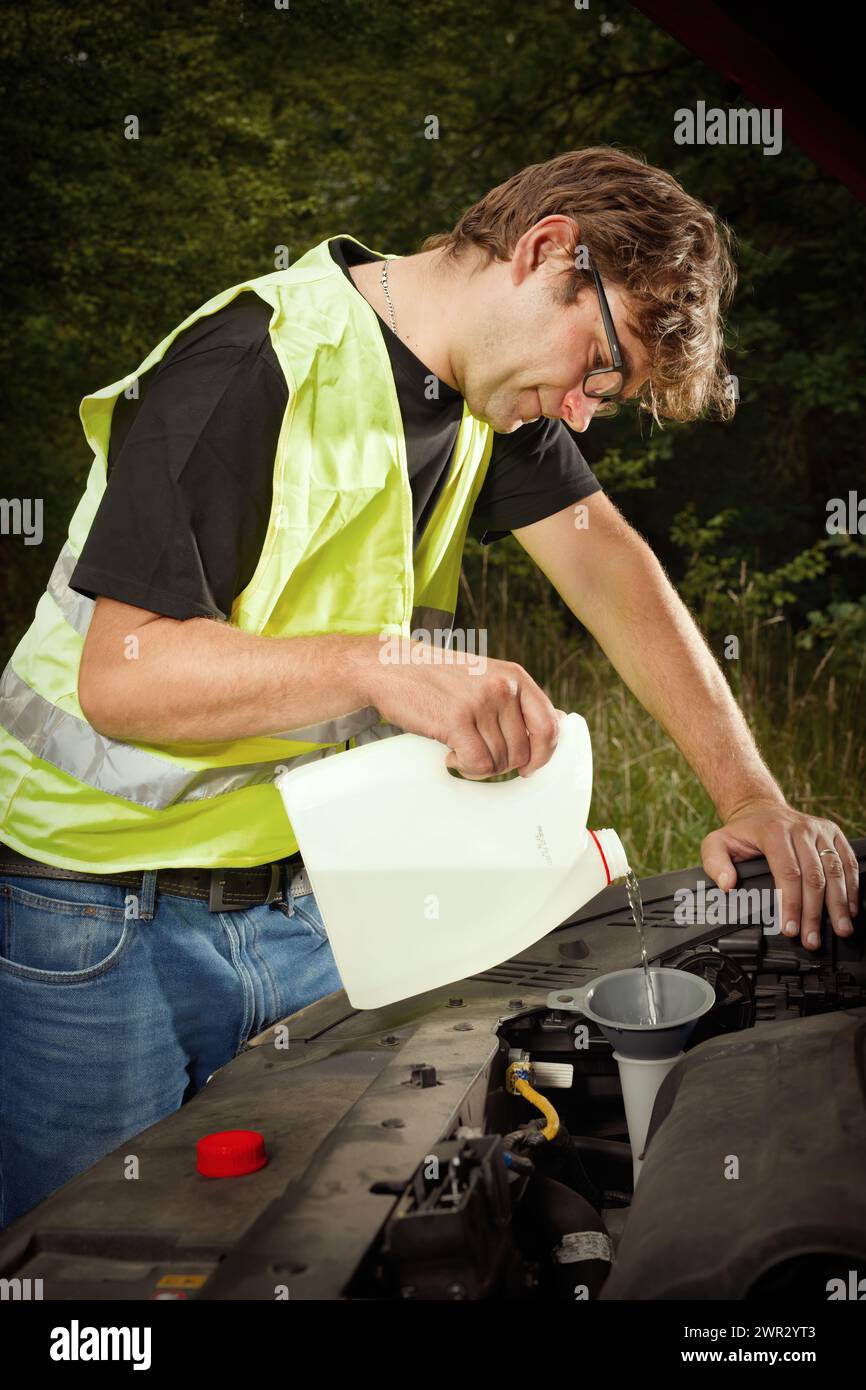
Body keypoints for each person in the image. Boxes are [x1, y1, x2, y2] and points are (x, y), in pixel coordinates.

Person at [0, 147, 857, 1229]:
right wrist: (381, 666)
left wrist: (750, 797)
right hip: (93, 916)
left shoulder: (484, 402)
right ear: (547, 251)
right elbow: (122, 679)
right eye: (596, 367)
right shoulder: (255, 359)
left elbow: (608, 564)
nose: (580, 414)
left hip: (304, 904)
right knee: (88, 1254)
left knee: (297, 1243)